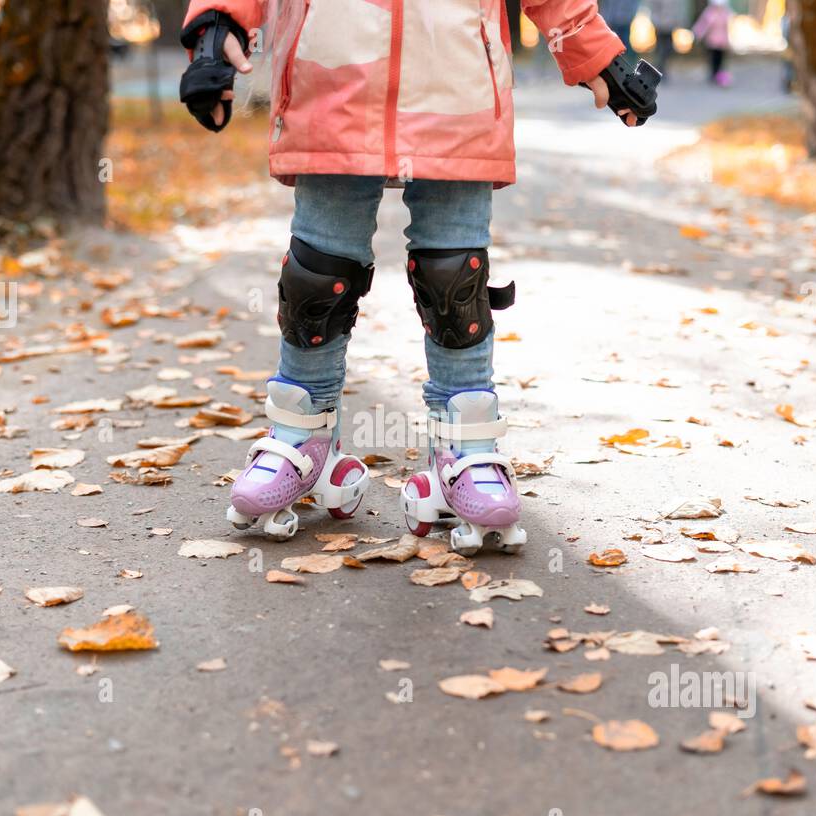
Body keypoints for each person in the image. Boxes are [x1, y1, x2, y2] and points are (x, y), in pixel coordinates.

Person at [178, 0, 645, 554]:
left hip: (457, 86)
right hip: (334, 83)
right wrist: (216, 24)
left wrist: (596, 51)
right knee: (317, 272)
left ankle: (464, 447)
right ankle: (301, 436)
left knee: (455, 277)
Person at [692, 0, 732, 86]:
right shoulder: (709, 13)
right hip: (712, 41)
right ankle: (713, 74)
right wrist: (697, 34)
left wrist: (729, 40)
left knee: (720, 59)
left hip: (722, 41)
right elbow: (703, 25)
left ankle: (719, 75)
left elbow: (729, 27)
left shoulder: (725, 13)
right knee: (713, 59)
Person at [647, 0, 687, 74]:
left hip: (670, 24)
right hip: (659, 24)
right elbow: (653, 7)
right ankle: (660, 66)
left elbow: (678, 8)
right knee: (660, 46)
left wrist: (679, 20)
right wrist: (655, 20)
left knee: (669, 47)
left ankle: (661, 64)